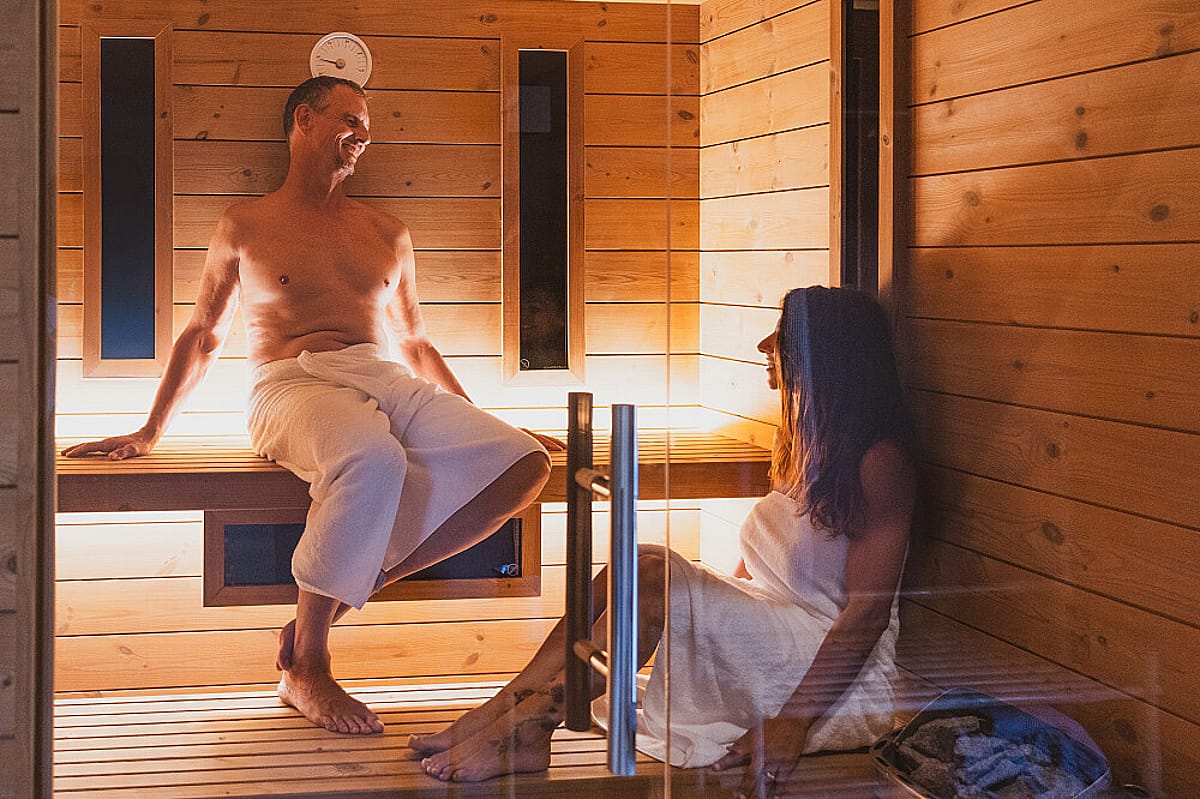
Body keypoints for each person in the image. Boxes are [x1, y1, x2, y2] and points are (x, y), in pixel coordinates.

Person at [62, 76, 561, 736]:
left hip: (380, 375)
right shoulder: (246, 223)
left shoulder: (388, 231)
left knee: (521, 463)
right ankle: (310, 666)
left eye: (369, 125)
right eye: (350, 119)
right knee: (371, 455)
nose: (365, 134)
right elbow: (205, 332)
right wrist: (151, 430)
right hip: (287, 383)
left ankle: (318, 613)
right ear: (304, 118)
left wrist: (483, 420)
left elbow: (414, 341)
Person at [410, 285, 917, 799]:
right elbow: (766, 566)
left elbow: (866, 617)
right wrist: (711, 617)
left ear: (827, 354)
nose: (766, 345)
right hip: (777, 634)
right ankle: (504, 708)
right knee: (640, 560)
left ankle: (529, 729)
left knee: (657, 577)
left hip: (833, 675)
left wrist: (794, 722)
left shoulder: (879, 462)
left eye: (783, 337)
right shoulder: (803, 440)